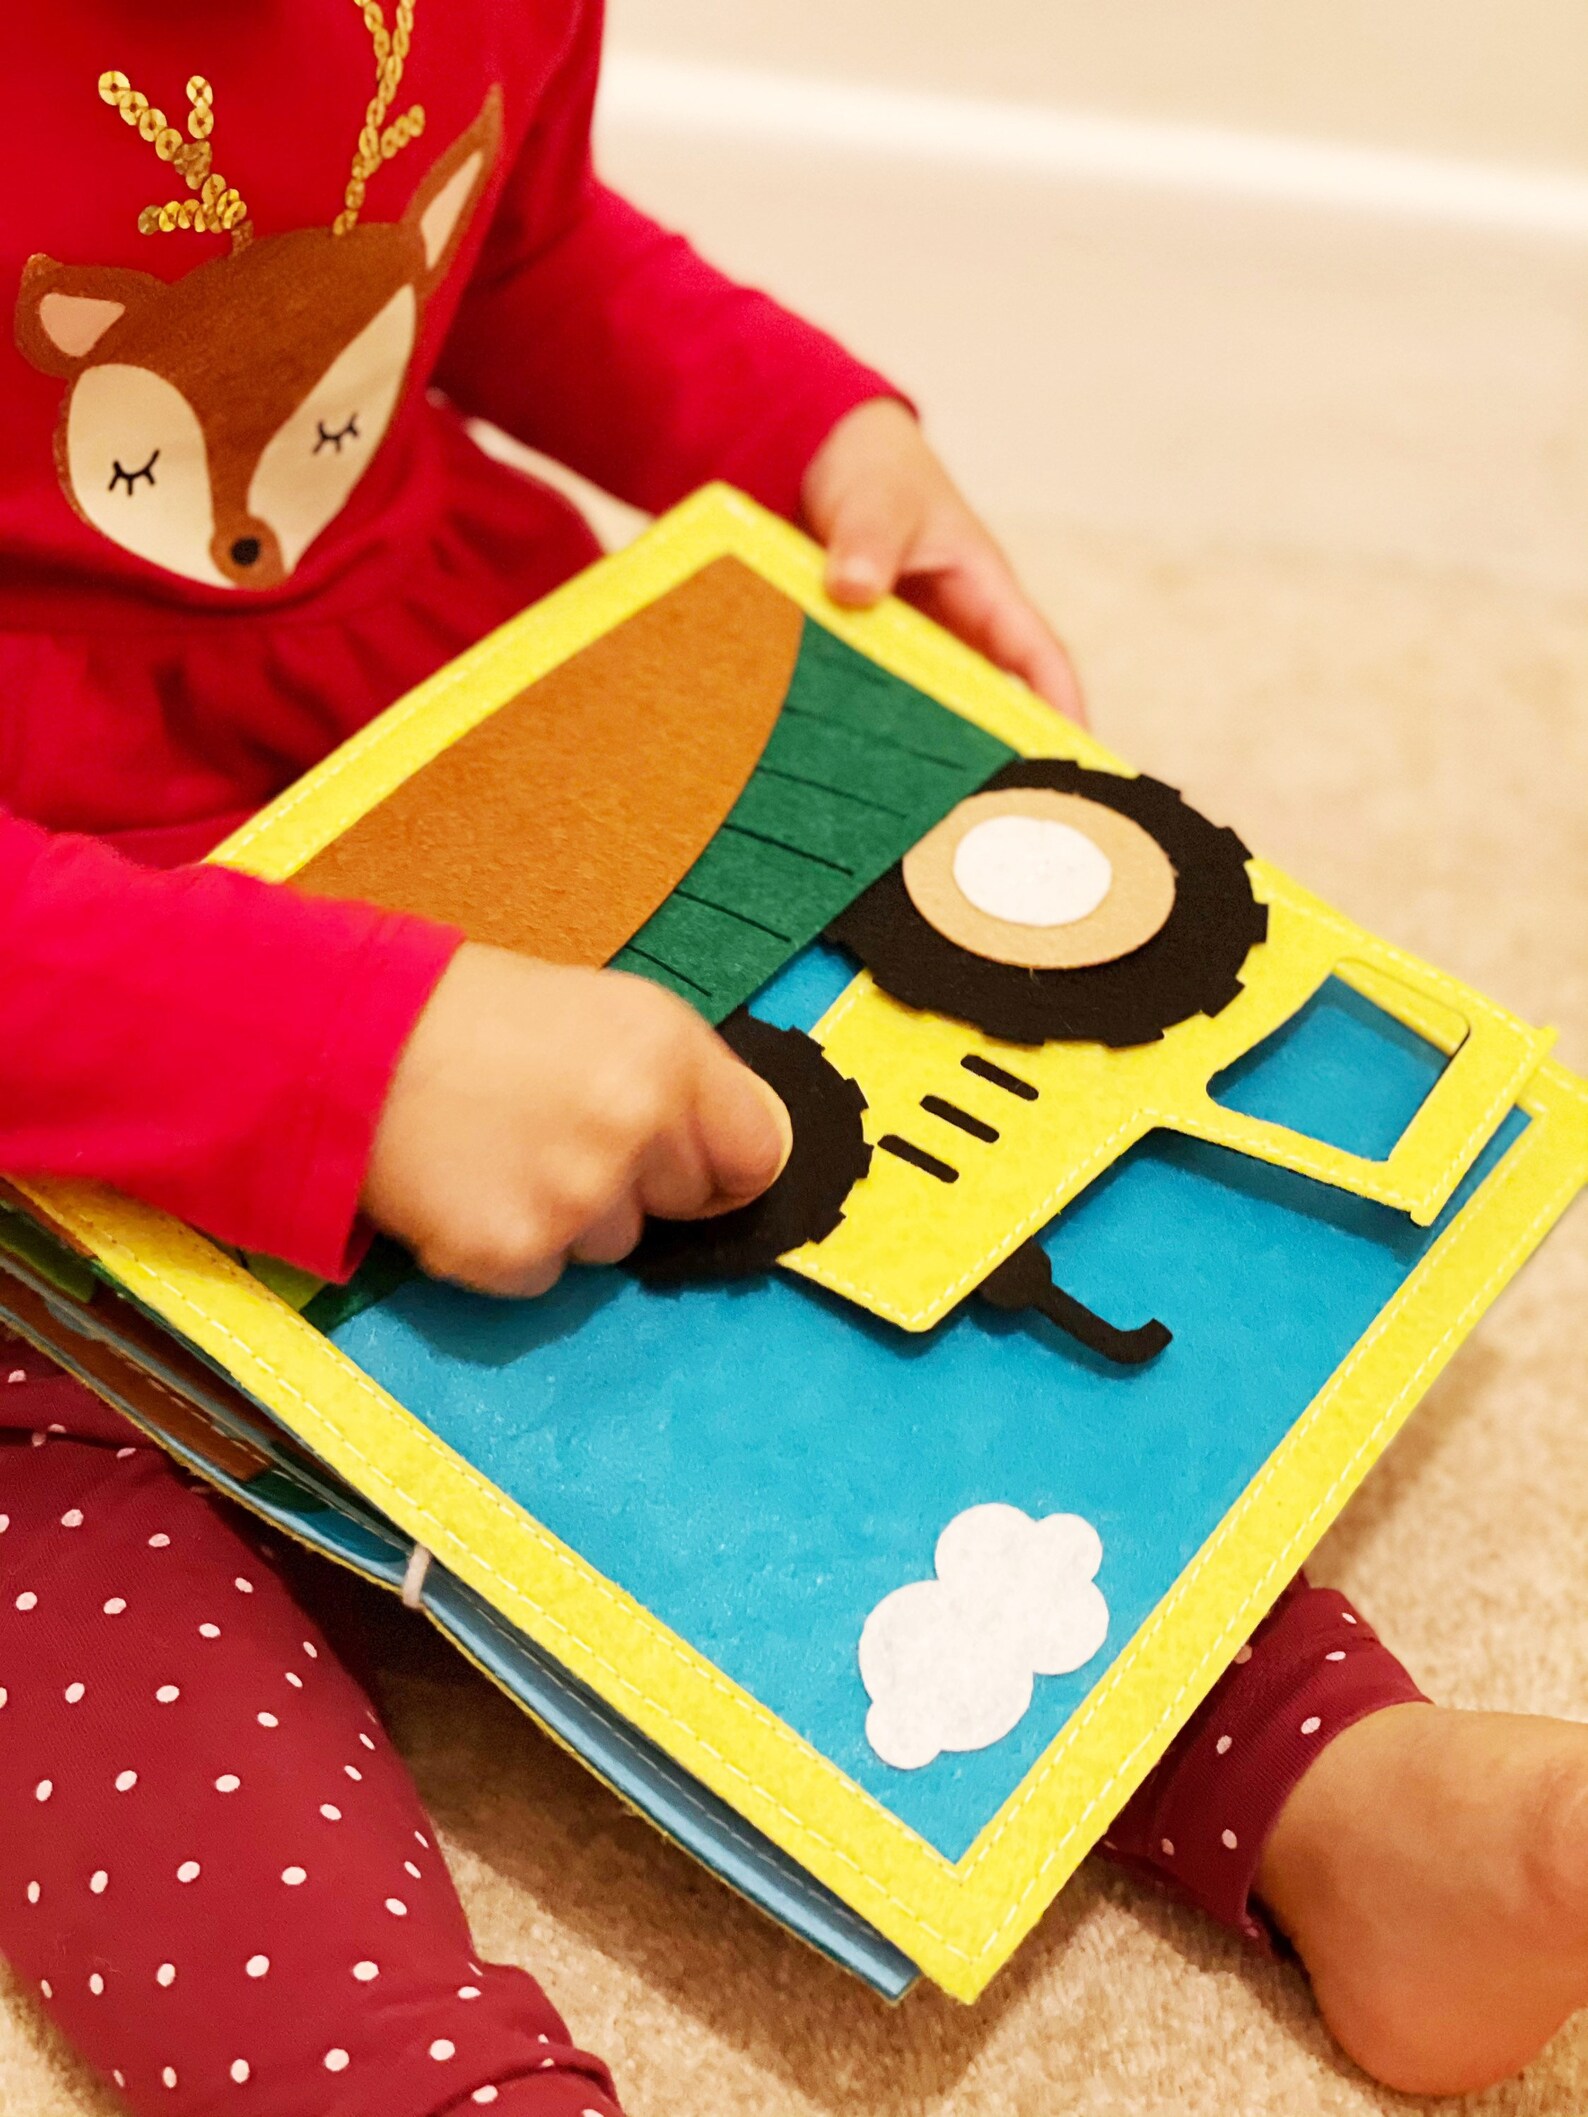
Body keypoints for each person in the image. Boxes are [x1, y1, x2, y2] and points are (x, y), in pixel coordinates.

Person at [2, 5, 1586, 2110]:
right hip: (56, 1017)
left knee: (821, 1231)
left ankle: (1317, 1772)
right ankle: (404, 2079)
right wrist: (331, 1054)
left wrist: (806, 425)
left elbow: (519, 243)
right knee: (55, 1527)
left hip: (457, 769)